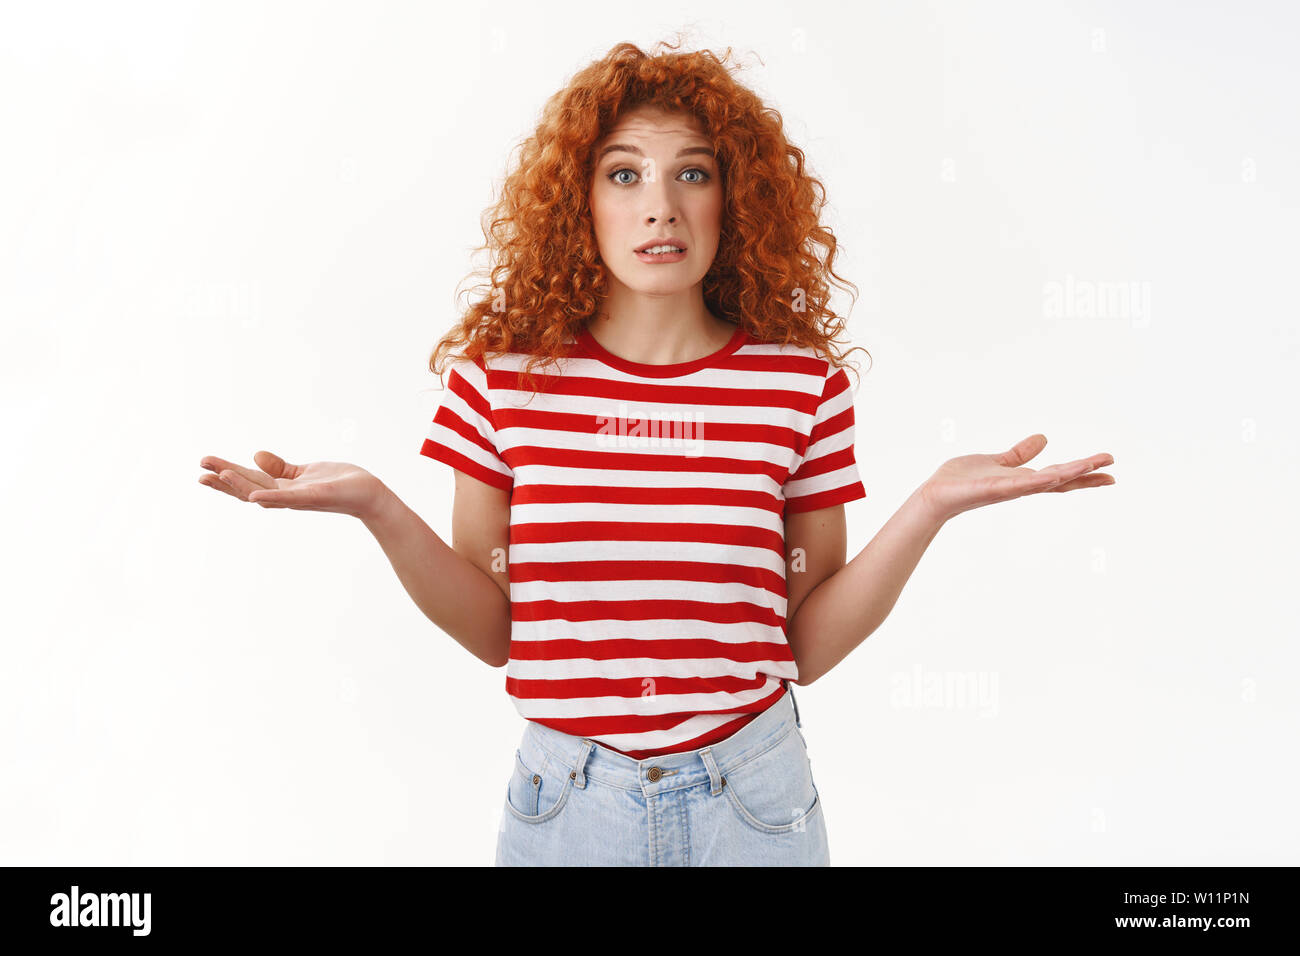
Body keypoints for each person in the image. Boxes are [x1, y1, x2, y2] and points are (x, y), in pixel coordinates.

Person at [198, 39, 1116, 866]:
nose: (661, 207)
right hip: (567, 808)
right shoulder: (501, 384)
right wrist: (376, 507)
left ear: (735, 196)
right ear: (579, 199)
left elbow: (804, 642)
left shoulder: (796, 388)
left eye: (694, 173)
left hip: (753, 804)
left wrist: (927, 510)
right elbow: (495, 631)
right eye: (625, 174)